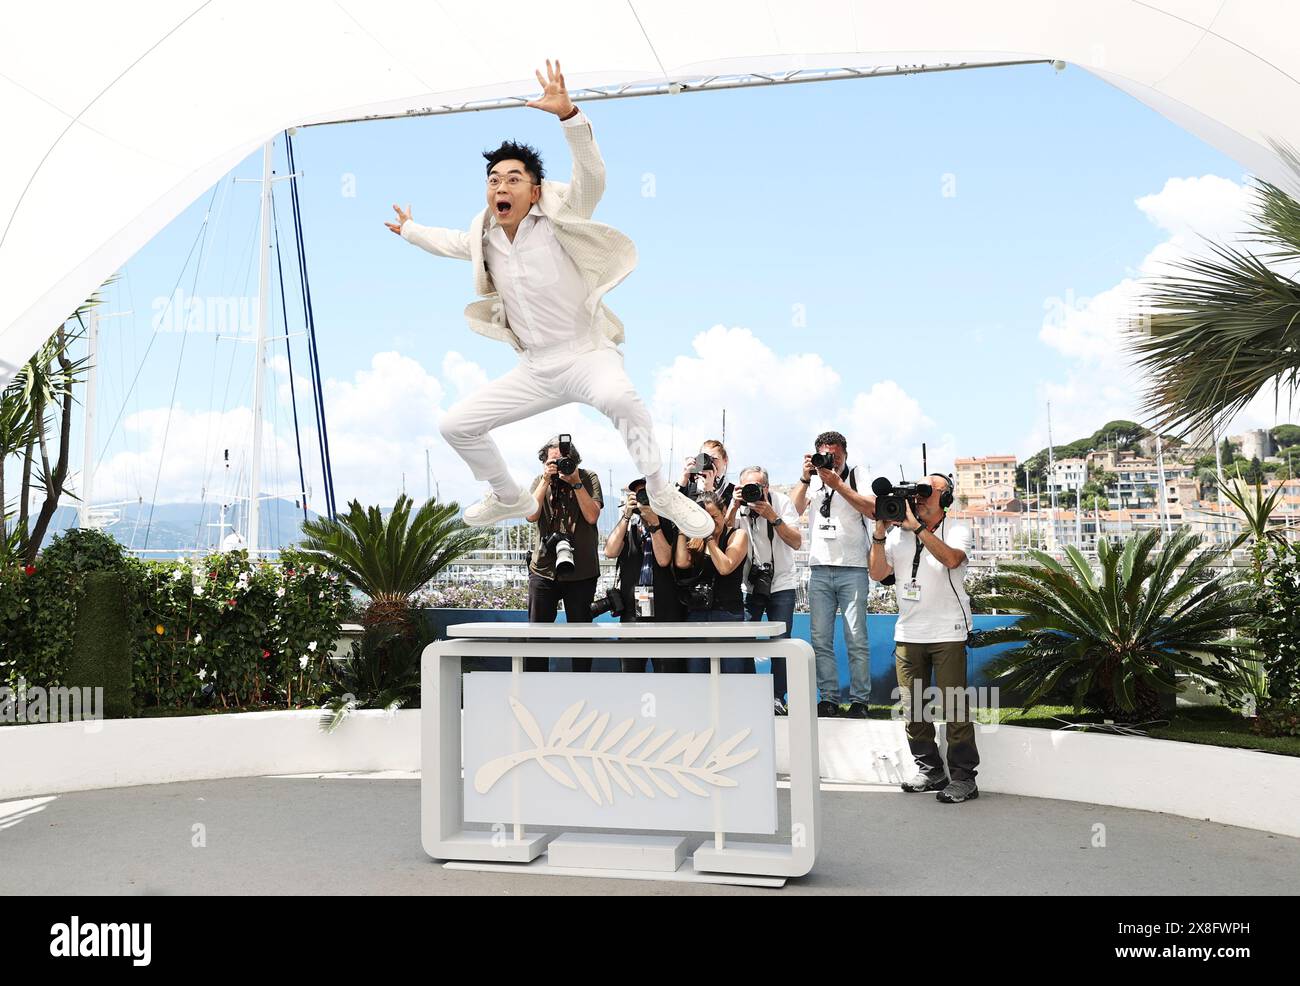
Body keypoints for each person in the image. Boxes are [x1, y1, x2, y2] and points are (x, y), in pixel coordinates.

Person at [385, 58, 711, 541]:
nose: (501, 185)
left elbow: (592, 176)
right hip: (536, 368)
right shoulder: (485, 235)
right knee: (455, 425)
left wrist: (570, 117)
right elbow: (449, 242)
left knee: (624, 399)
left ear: (534, 191)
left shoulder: (561, 216)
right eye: (494, 178)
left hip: (586, 354)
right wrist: (410, 230)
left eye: (513, 178)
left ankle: (662, 492)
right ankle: (509, 496)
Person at [868, 473, 980, 804]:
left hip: (948, 631)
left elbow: (951, 559)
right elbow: (877, 573)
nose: (919, 497)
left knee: (954, 707)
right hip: (908, 632)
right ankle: (930, 770)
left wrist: (917, 528)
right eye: (917, 491)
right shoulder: (896, 537)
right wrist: (878, 533)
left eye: (928, 492)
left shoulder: (957, 529)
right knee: (912, 708)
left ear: (945, 499)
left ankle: (964, 779)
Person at [791, 430, 875, 718]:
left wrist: (838, 484)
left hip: (853, 567)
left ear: (846, 456)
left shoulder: (856, 475)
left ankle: (860, 700)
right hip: (819, 567)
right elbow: (793, 510)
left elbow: (873, 509)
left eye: (836, 457)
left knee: (856, 637)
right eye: (826, 457)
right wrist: (806, 478)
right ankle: (828, 698)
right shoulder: (813, 480)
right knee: (820, 639)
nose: (831, 462)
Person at [523, 435, 602, 672]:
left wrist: (576, 482)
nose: (559, 465)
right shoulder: (540, 481)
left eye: (563, 460)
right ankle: (534, 686)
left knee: (581, 636)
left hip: (581, 569)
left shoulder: (588, 477)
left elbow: (592, 516)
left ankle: (581, 687)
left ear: (574, 459)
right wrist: (546, 481)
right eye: (553, 461)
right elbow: (530, 515)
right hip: (544, 569)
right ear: (544, 463)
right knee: (536, 636)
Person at [726, 466, 801, 714]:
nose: (752, 492)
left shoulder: (782, 503)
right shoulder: (737, 507)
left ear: (767, 488)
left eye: (757, 487)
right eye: (746, 487)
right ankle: (748, 693)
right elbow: (719, 534)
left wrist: (772, 516)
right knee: (742, 642)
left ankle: (778, 696)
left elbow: (796, 541)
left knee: (780, 641)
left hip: (781, 583)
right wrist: (734, 507)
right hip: (749, 585)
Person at [603, 476, 685, 672]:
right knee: (630, 678)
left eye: (647, 494)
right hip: (632, 617)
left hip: (665, 617)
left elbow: (664, 560)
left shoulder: (669, 523)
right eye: (639, 494)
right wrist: (626, 516)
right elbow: (610, 551)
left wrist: (654, 524)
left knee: (667, 677)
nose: (643, 499)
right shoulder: (629, 526)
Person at [674, 492, 750, 673]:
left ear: (724, 511)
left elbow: (725, 567)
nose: (710, 522)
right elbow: (681, 562)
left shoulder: (737, 535)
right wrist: (683, 530)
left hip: (728, 614)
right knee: (697, 674)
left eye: (714, 517)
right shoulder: (696, 540)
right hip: (698, 615)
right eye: (704, 518)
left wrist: (709, 538)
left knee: (732, 675)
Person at [678, 439, 735, 509]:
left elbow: (718, 518)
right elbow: (670, 510)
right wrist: (684, 477)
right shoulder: (689, 485)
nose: (709, 462)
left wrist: (708, 492)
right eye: (704, 458)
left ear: (725, 460)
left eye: (713, 458)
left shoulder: (732, 492)